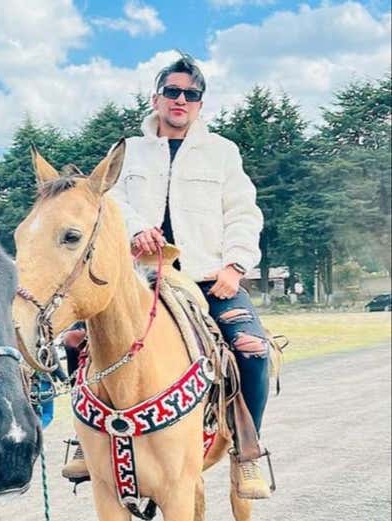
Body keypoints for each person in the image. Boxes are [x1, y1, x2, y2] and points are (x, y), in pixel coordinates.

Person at [64, 53, 271, 500]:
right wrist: (137, 228)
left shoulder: (222, 153)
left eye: (191, 94)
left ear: (200, 104)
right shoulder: (128, 150)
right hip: (136, 278)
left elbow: (243, 213)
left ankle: (246, 453)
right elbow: (108, 199)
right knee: (77, 342)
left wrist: (235, 267)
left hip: (204, 278)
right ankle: (82, 441)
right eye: (173, 92)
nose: (181, 100)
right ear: (156, 98)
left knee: (252, 350)